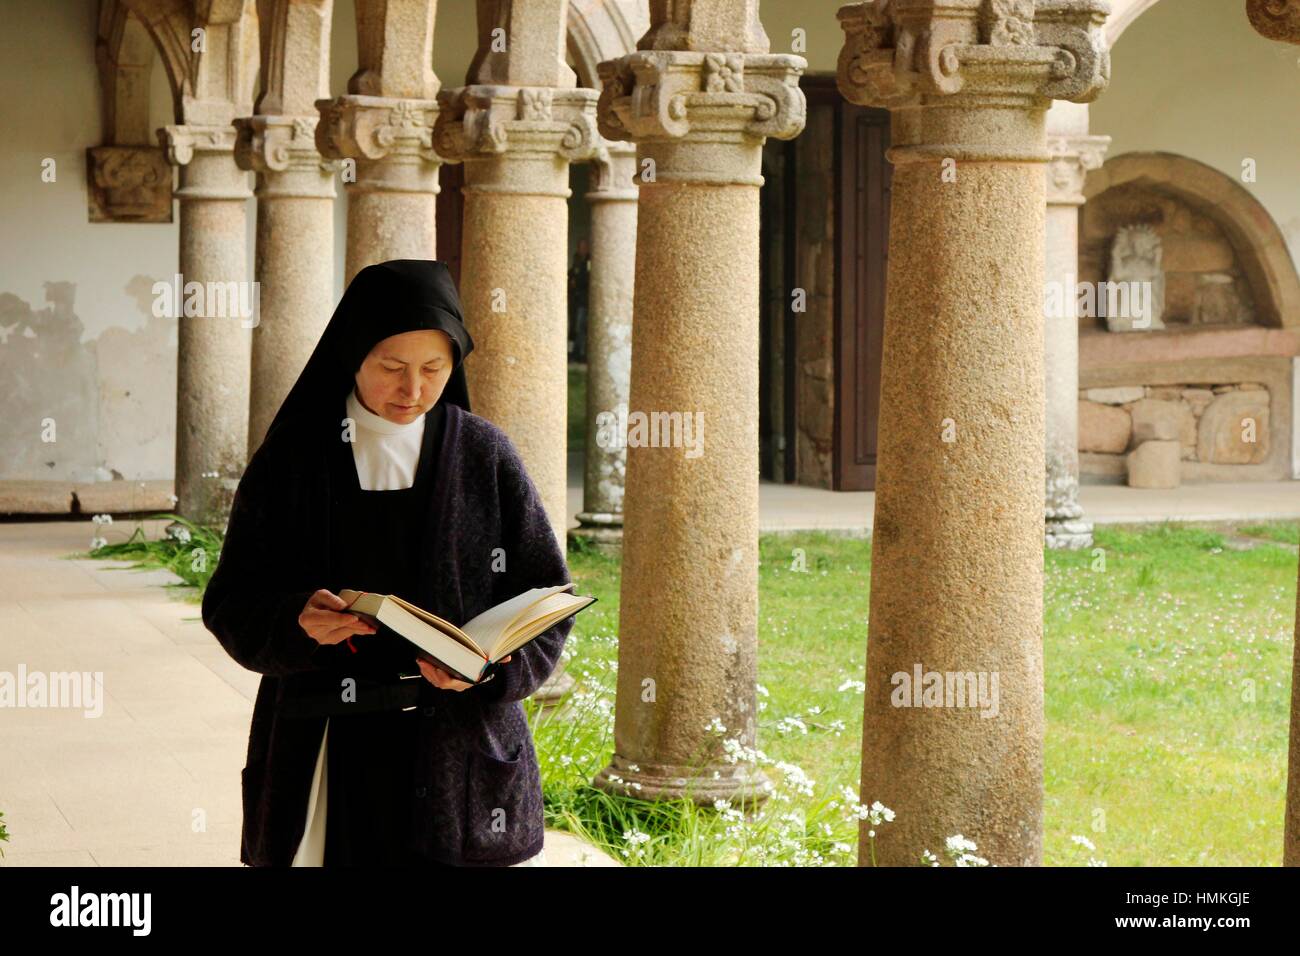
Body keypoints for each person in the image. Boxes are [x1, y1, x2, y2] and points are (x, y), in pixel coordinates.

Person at [202, 259, 574, 867]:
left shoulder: (485, 455)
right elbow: (230, 601)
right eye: (392, 367)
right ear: (353, 354)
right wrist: (294, 620)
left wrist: (488, 668)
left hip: (457, 750)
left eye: (434, 369)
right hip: (323, 743)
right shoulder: (293, 458)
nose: (413, 390)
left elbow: (547, 601)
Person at [567, 237, 591, 363]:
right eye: (580, 247)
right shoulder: (576, 259)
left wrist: (577, 281)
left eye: (584, 247)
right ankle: (572, 352)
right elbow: (572, 272)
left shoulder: (589, 261)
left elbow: (588, 277)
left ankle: (581, 354)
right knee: (573, 327)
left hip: (583, 300)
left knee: (581, 327)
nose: (581, 249)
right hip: (574, 300)